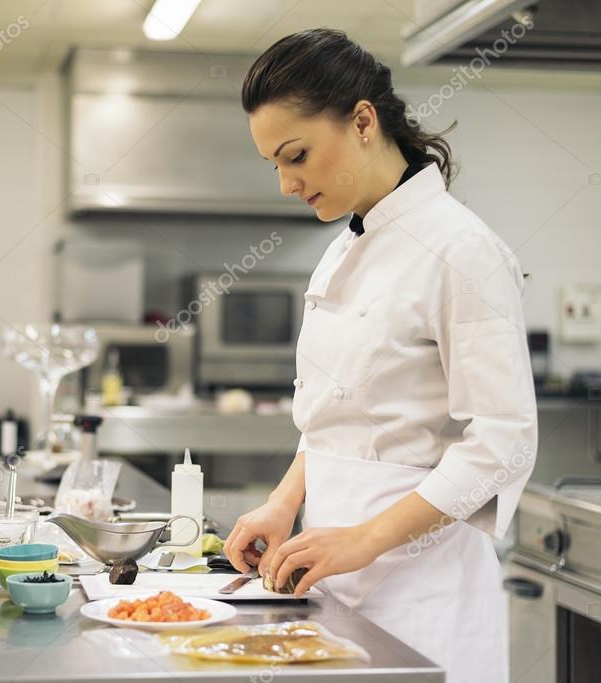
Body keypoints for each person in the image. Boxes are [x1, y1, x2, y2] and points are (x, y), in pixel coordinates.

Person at [222, 28, 537, 683]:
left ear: (362, 120)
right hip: (331, 577)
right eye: (273, 165)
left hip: (425, 596)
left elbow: (502, 444)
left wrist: (363, 539)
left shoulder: (463, 250)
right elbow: (334, 419)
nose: (285, 183)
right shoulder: (343, 247)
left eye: (295, 155)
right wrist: (284, 502)